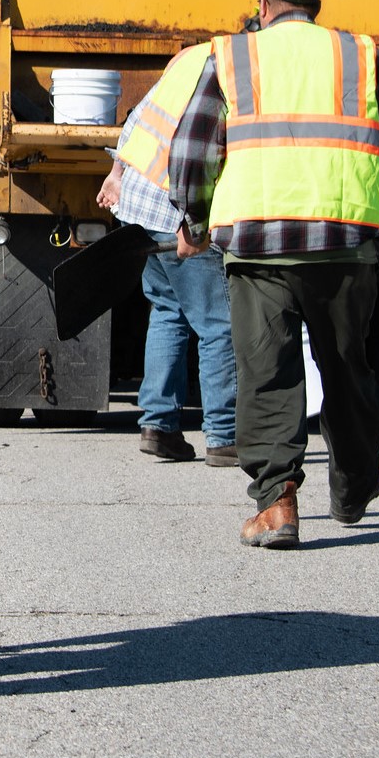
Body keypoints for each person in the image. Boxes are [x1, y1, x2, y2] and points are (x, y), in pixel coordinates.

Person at [169, 0, 379, 549]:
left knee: (267, 372)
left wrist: (195, 221)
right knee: (346, 368)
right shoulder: (359, 56)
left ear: (264, 2)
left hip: (259, 245)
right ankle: (355, 485)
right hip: (348, 241)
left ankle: (278, 504)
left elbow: (191, 151)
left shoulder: (233, 57)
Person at [97, 52, 239, 464]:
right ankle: (223, 435)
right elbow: (198, 151)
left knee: (168, 310)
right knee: (218, 323)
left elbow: (140, 120)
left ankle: (159, 426)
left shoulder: (189, 59)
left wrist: (116, 174)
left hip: (140, 202)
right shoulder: (235, 70)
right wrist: (193, 220)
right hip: (175, 210)